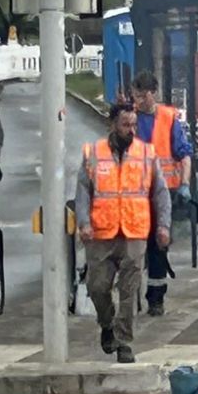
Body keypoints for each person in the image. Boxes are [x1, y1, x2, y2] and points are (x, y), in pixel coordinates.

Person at [71, 102, 172, 364]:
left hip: (134, 233)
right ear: (112, 124)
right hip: (101, 234)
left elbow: (160, 193)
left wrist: (163, 226)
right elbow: (83, 192)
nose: (131, 129)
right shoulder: (94, 153)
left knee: (129, 290)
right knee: (97, 287)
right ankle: (107, 324)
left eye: (134, 124)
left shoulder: (147, 154)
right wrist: (83, 222)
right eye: (126, 124)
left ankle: (124, 342)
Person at [130, 72, 193, 318]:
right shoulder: (130, 119)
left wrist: (185, 184)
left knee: (158, 247)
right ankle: (131, 297)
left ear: (152, 93)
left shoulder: (168, 118)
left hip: (162, 195)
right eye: (135, 96)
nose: (138, 101)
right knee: (133, 249)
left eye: (142, 96)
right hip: (134, 195)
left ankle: (156, 300)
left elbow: (183, 154)